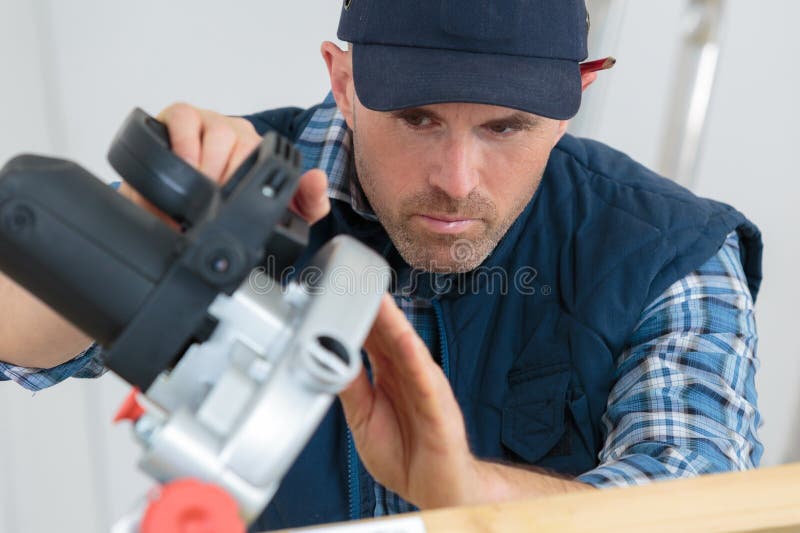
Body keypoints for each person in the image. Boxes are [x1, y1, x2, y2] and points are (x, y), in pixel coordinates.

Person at [0, 1, 763, 530]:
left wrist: (472, 496)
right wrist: (142, 225)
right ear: (343, 79)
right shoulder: (234, 188)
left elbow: (696, 499)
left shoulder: (674, 254)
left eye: (507, 126)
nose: (458, 179)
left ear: (575, 99)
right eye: (418, 118)